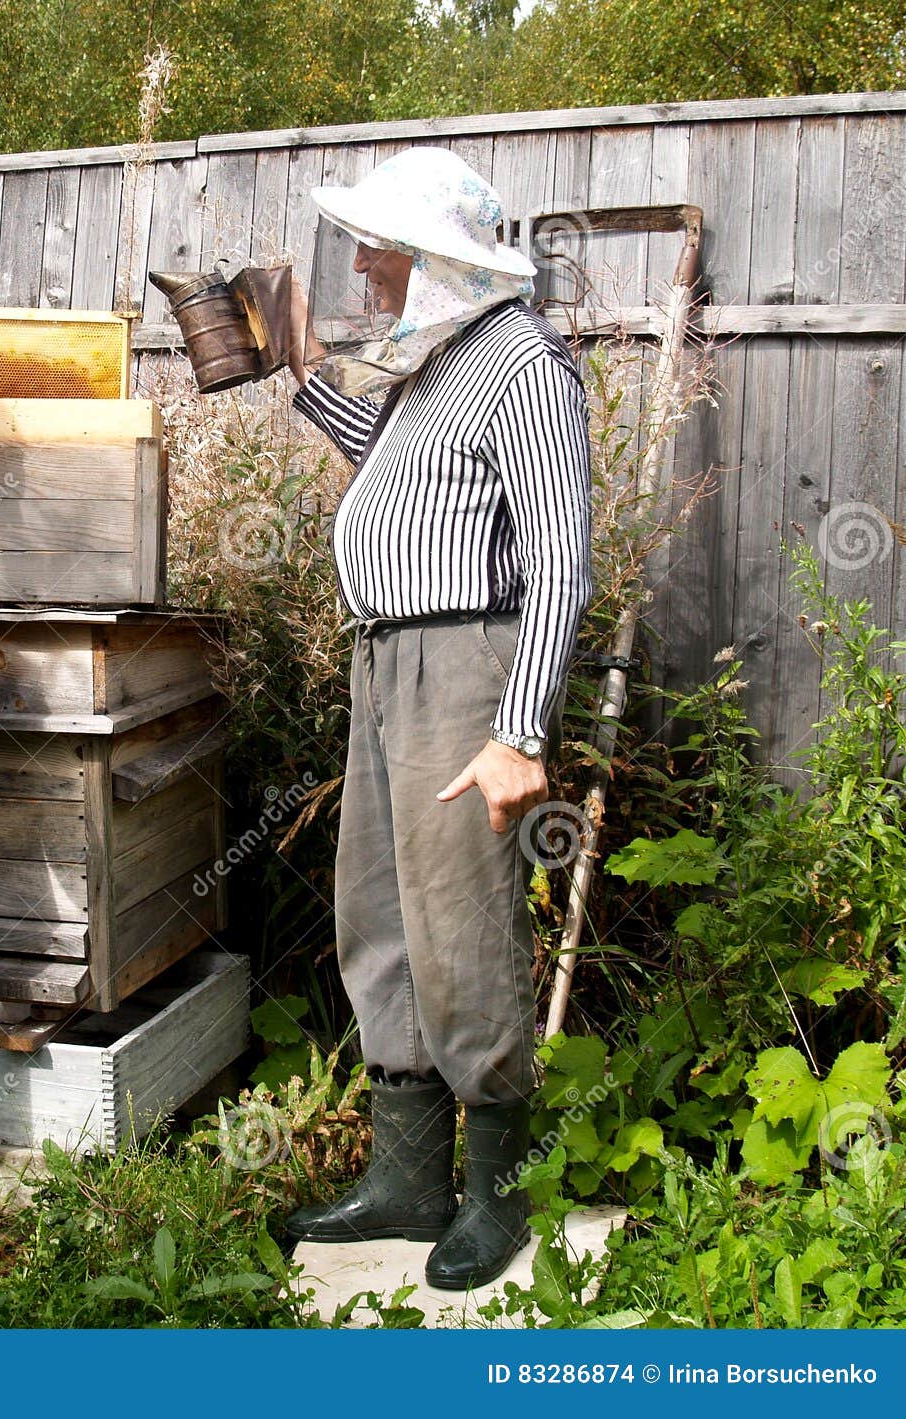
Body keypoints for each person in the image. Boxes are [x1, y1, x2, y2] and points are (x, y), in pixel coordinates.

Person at [278, 148, 593, 1290]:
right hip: (386, 665)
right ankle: (408, 1182)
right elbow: (402, 478)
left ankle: (496, 1198)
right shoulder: (439, 366)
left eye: (383, 249)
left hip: (466, 667)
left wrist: (519, 733)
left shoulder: (521, 364)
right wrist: (300, 368)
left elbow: (560, 563)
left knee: (460, 924)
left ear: (438, 261)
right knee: (379, 918)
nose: (365, 265)